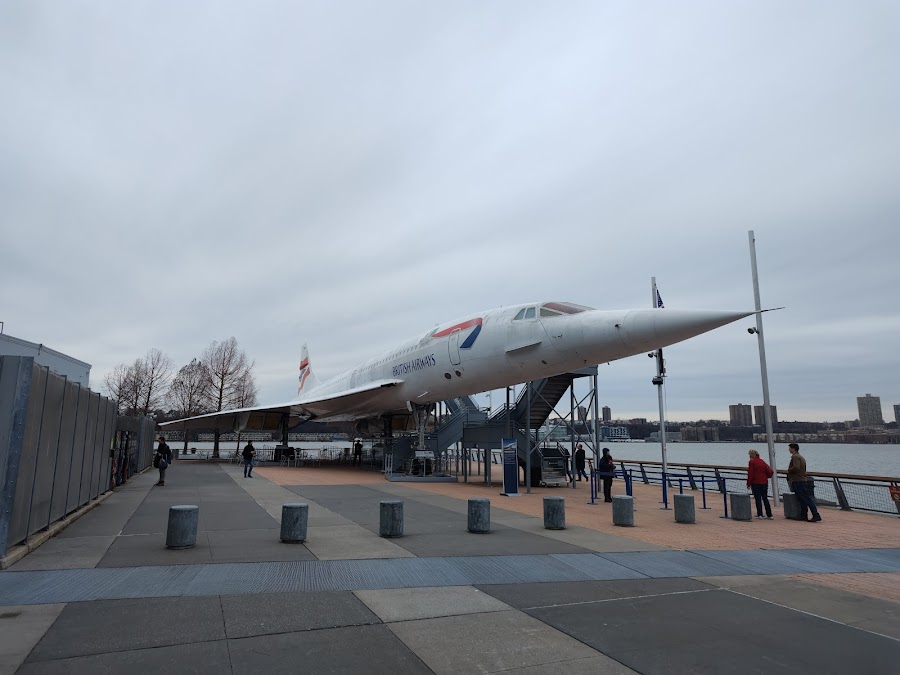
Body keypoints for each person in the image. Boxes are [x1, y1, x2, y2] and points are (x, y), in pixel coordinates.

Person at [787, 443, 821, 522]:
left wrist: (789, 470)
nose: (788, 450)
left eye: (789, 448)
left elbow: (796, 467)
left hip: (798, 480)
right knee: (802, 499)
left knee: (805, 498)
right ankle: (803, 515)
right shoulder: (801, 457)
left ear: (793, 449)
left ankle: (815, 514)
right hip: (801, 480)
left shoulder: (795, 457)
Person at [746, 449, 774, 519]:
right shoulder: (762, 461)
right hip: (764, 482)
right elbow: (769, 471)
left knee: (758, 498)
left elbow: (750, 474)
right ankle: (769, 514)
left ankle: (760, 514)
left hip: (756, 482)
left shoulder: (752, 462)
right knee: (765, 498)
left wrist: (748, 483)